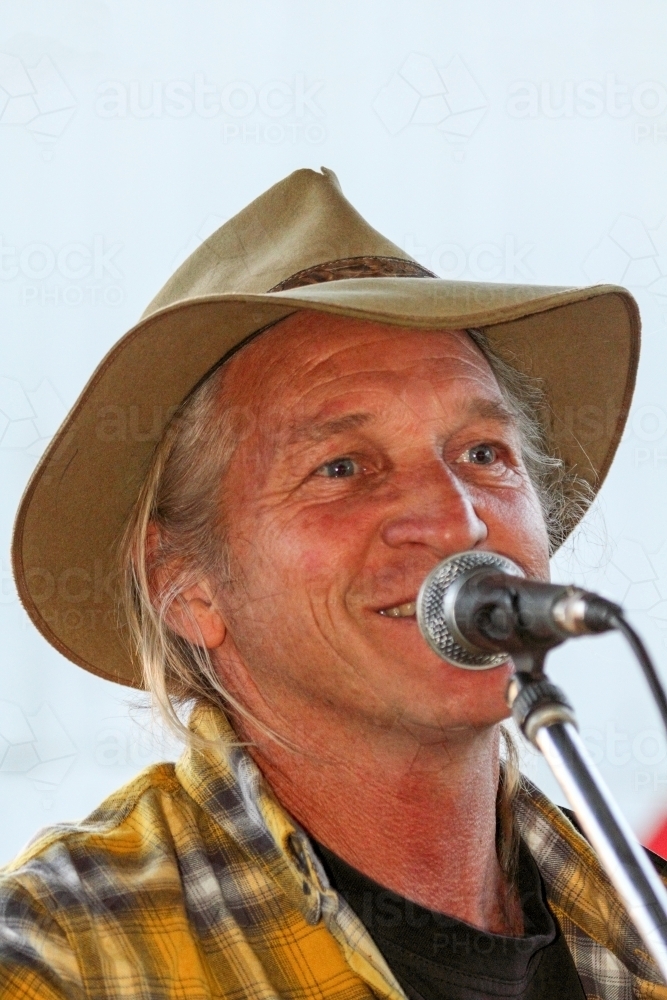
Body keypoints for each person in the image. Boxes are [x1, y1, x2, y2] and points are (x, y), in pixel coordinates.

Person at [0, 167, 657, 999]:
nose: (455, 521)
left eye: (483, 454)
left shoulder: (647, 920)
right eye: (342, 467)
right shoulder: (56, 958)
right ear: (186, 586)